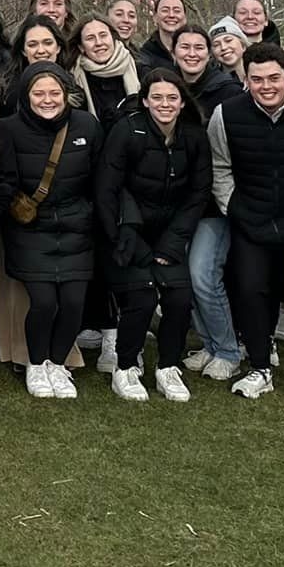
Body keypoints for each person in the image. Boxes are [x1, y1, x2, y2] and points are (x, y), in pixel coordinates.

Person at [208, 43, 284, 406]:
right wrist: (235, 209)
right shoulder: (225, 115)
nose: (266, 86)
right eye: (256, 79)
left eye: (274, 77)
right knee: (250, 291)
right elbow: (219, 168)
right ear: (246, 80)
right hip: (254, 220)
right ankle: (259, 367)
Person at [0, 62, 102, 399]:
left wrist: (93, 216)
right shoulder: (8, 129)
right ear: (26, 95)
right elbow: (1, 181)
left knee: (73, 301)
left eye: (55, 93)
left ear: (67, 94)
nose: (47, 100)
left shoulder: (87, 126)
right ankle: (36, 364)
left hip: (77, 227)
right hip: (30, 228)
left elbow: (99, 178)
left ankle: (58, 363)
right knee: (44, 301)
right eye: (39, 93)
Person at [96, 69, 212, 404]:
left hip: (170, 234)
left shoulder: (193, 136)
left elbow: (198, 193)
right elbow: (107, 189)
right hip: (126, 232)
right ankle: (126, 367)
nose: (165, 104)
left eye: (172, 97)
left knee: (178, 299)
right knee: (142, 298)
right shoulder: (126, 130)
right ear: (145, 100)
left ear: (181, 101)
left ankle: (167, 367)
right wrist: (127, 236)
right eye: (157, 97)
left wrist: (173, 241)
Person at [69, 14, 139, 129]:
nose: (99, 43)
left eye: (103, 35)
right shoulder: (72, 79)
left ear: (113, 38)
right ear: (81, 46)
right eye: (90, 38)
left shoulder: (138, 69)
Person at [170, 26, 243, 120]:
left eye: (199, 48)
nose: (192, 54)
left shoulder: (230, 92)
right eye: (185, 47)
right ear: (173, 54)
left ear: (209, 54)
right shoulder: (165, 89)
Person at [3, 14, 68, 114]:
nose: (41, 50)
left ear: (58, 47)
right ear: (23, 51)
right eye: (32, 45)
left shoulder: (73, 85)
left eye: (48, 43)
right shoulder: (8, 92)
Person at [137, 0, 188, 70]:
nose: (171, 15)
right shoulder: (144, 56)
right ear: (155, 17)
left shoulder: (198, 52)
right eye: (165, 10)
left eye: (177, 11)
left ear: (185, 18)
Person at [209, 16, 249, 83]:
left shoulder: (262, 74)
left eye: (228, 40)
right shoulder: (211, 83)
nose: (223, 47)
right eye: (216, 45)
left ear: (243, 45)